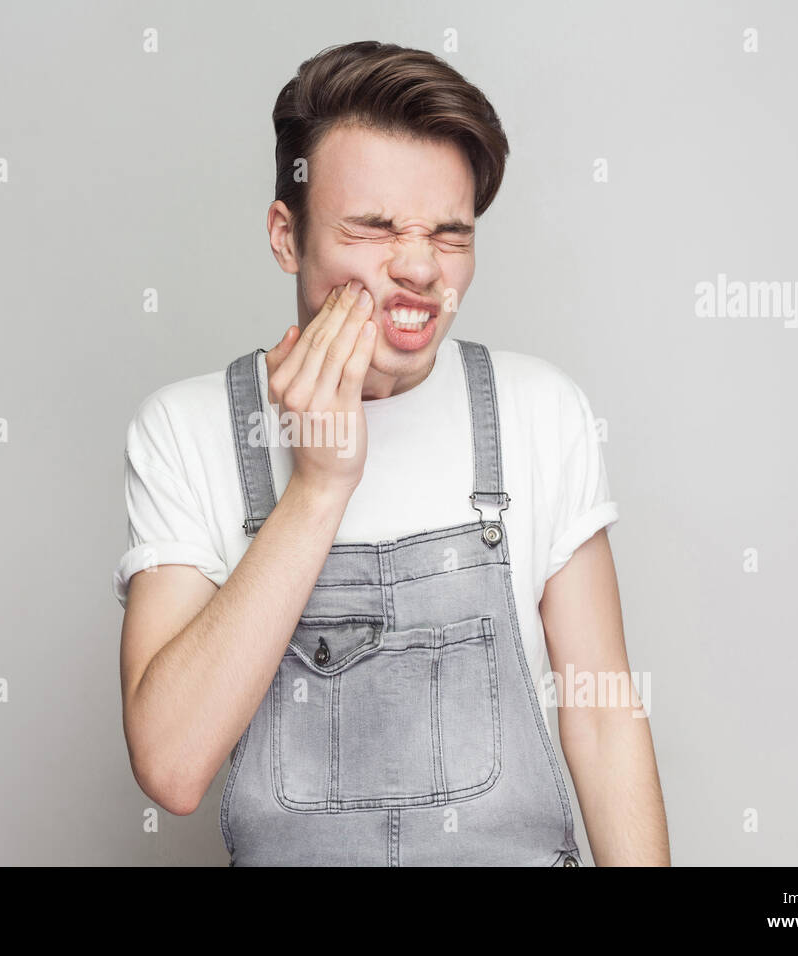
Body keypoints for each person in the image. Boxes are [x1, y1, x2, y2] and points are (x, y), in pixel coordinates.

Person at [113, 40, 670, 866]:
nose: (418, 268)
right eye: (373, 229)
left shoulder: (538, 411)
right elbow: (171, 766)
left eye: (450, 234)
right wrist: (317, 488)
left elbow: (602, 717)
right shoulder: (185, 430)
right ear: (285, 234)